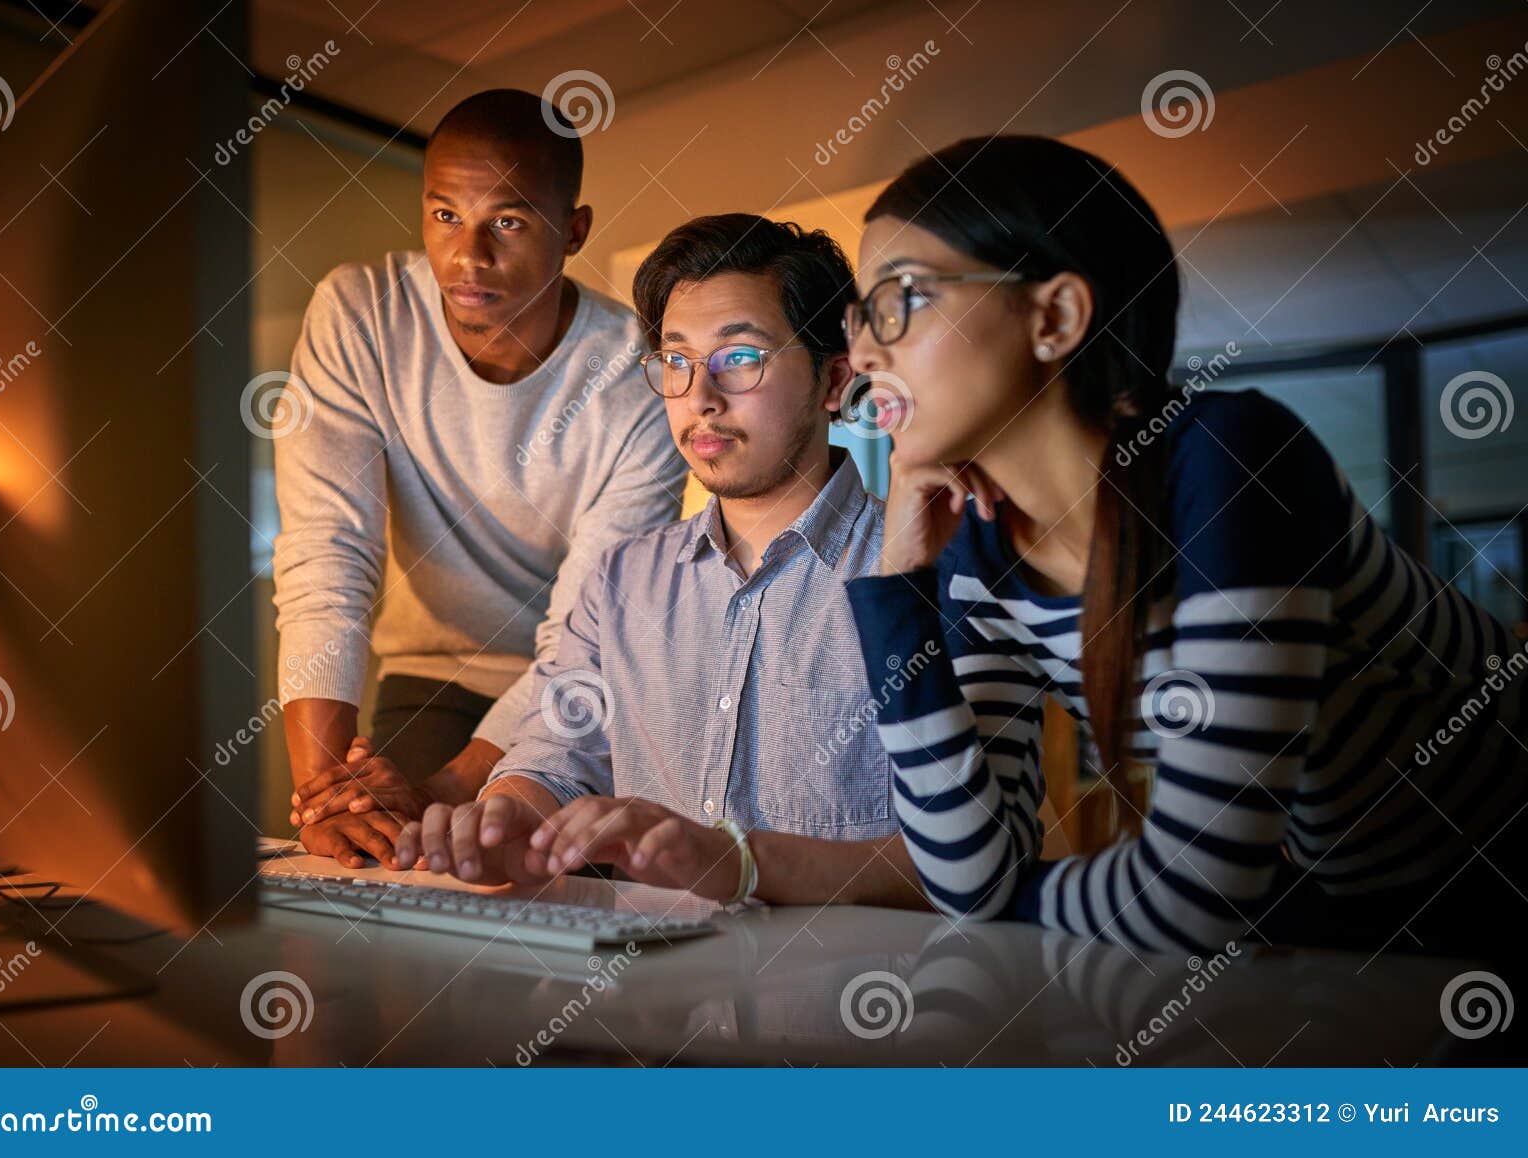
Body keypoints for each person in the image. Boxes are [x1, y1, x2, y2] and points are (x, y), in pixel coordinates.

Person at [841, 134, 1528, 960]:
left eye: (901, 297)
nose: (864, 353)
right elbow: (966, 876)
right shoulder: (978, 552)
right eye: (861, 313)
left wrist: (1018, 900)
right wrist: (897, 578)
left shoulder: (1233, 460)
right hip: (1353, 915)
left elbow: (1191, 896)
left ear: (1054, 316)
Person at [394, 214, 927, 909]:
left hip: (861, 1000)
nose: (700, 398)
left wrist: (735, 862)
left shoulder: (923, 570)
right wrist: (507, 817)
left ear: (833, 381)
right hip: (648, 1004)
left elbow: (970, 862)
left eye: (740, 358)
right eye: (676, 362)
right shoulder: (622, 581)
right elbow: (554, 755)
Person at [274, 89, 687, 869]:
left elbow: (586, 636)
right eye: (444, 216)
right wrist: (329, 796)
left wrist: (450, 788)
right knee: (379, 869)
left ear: (572, 231)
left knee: (550, 886)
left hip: (586, 685)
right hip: (434, 672)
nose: (468, 258)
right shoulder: (360, 316)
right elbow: (326, 557)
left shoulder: (638, 375)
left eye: (506, 221)